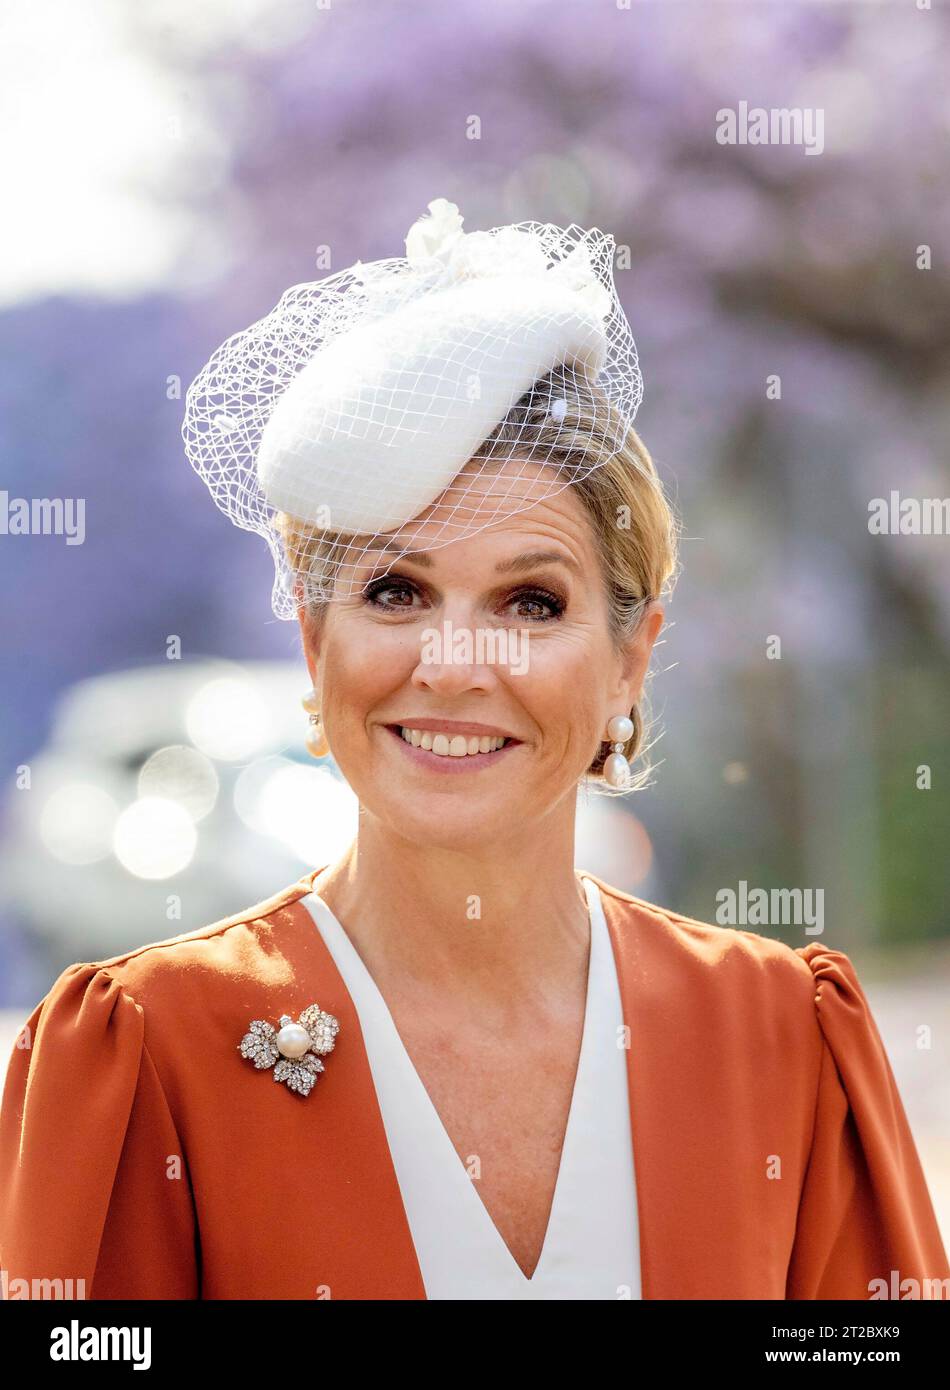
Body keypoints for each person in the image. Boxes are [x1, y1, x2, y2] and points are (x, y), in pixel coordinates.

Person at [1, 200, 946, 1301]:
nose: (452, 663)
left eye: (530, 601)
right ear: (315, 642)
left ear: (629, 660)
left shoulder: (785, 1038)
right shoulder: (140, 1057)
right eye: (396, 591)